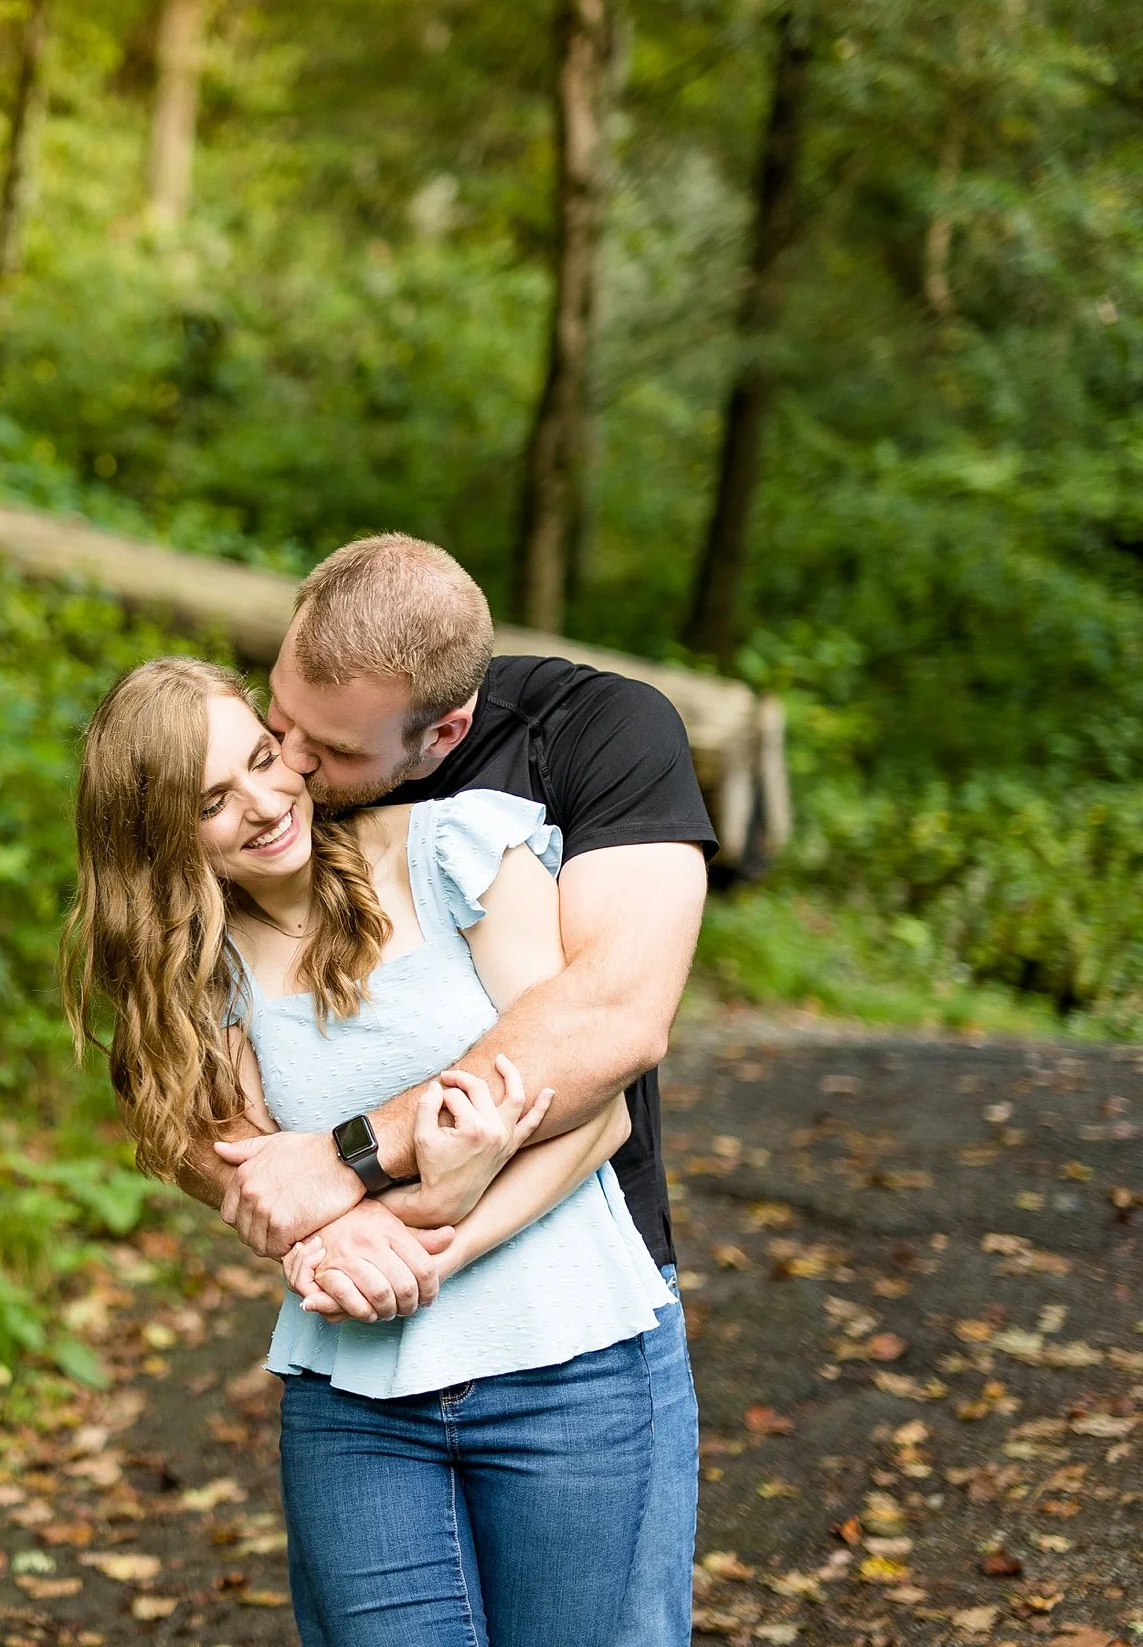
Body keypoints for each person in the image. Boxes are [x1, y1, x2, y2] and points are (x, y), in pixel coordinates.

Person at [63, 654, 681, 1645]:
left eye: (266, 759)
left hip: (562, 1364)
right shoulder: (202, 973)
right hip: (355, 1398)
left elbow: (600, 1114)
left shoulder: (455, 850)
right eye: (213, 799)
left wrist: (431, 1227)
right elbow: (244, 1171)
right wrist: (320, 1242)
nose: (266, 802)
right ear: (157, 838)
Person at [214, 533, 710, 1645]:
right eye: (275, 719)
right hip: (360, 1347)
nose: (286, 764)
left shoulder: (600, 736)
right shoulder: (261, 783)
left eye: (325, 751)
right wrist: (299, 1226)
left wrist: (363, 1171)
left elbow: (614, 1019)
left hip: (574, 1284)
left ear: (440, 734)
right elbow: (172, 1042)